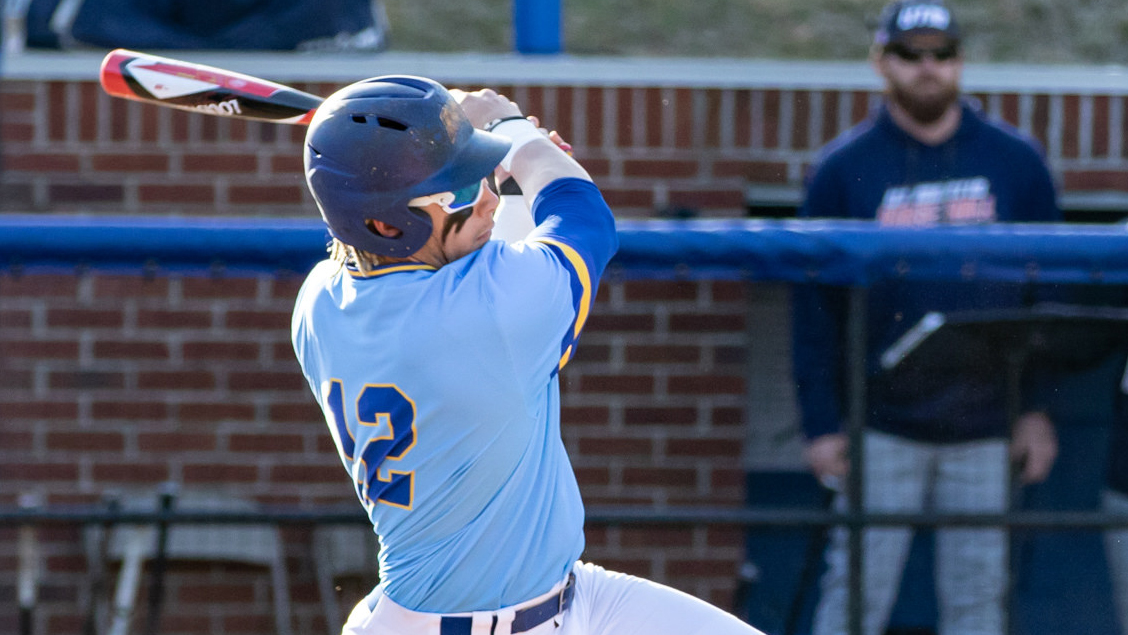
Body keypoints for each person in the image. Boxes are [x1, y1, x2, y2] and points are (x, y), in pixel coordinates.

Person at [291, 75, 765, 635]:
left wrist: (482, 163)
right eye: (463, 192)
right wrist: (515, 136)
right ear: (386, 224)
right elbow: (581, 212)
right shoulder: (483, 313)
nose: (485, 199)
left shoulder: (321, 300)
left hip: (564, 595)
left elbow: (493, 262)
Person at [790, 2, 1062, 634]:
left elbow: (1047, 293)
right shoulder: (841, 167)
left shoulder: (1017, 162)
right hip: (878, 426)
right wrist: (822, 424)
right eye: (911, 54)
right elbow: (812, 308)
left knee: (979, 602)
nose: (928, 68)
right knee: (855, 597)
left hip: (987, 425)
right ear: (882, 62)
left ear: (960, 62)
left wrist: (1037, 408)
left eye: (942, 54)